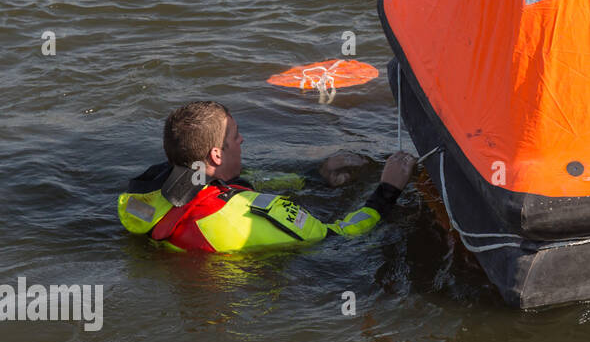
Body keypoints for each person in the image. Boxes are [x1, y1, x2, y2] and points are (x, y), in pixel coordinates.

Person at [117, 100, 417, 253]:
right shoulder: (259, 214)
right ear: (216, 155)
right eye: (235, 136)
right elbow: (338, 236)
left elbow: (233, 188)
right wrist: (388, 189)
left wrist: (315, 176)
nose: (242, 141)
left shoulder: (139, 199)